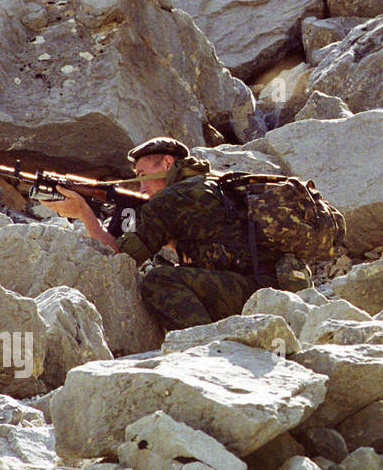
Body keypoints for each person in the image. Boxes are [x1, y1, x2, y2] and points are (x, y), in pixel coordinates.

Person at [46, 137, 297, 330]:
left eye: (144, 175)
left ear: (167, 164)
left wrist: (82, 211)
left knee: (158, 280)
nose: (142, 187)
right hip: (276, 288)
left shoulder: (173, 198)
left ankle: (202, 343)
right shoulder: (208, 185)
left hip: (254, 291)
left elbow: (118, 256)